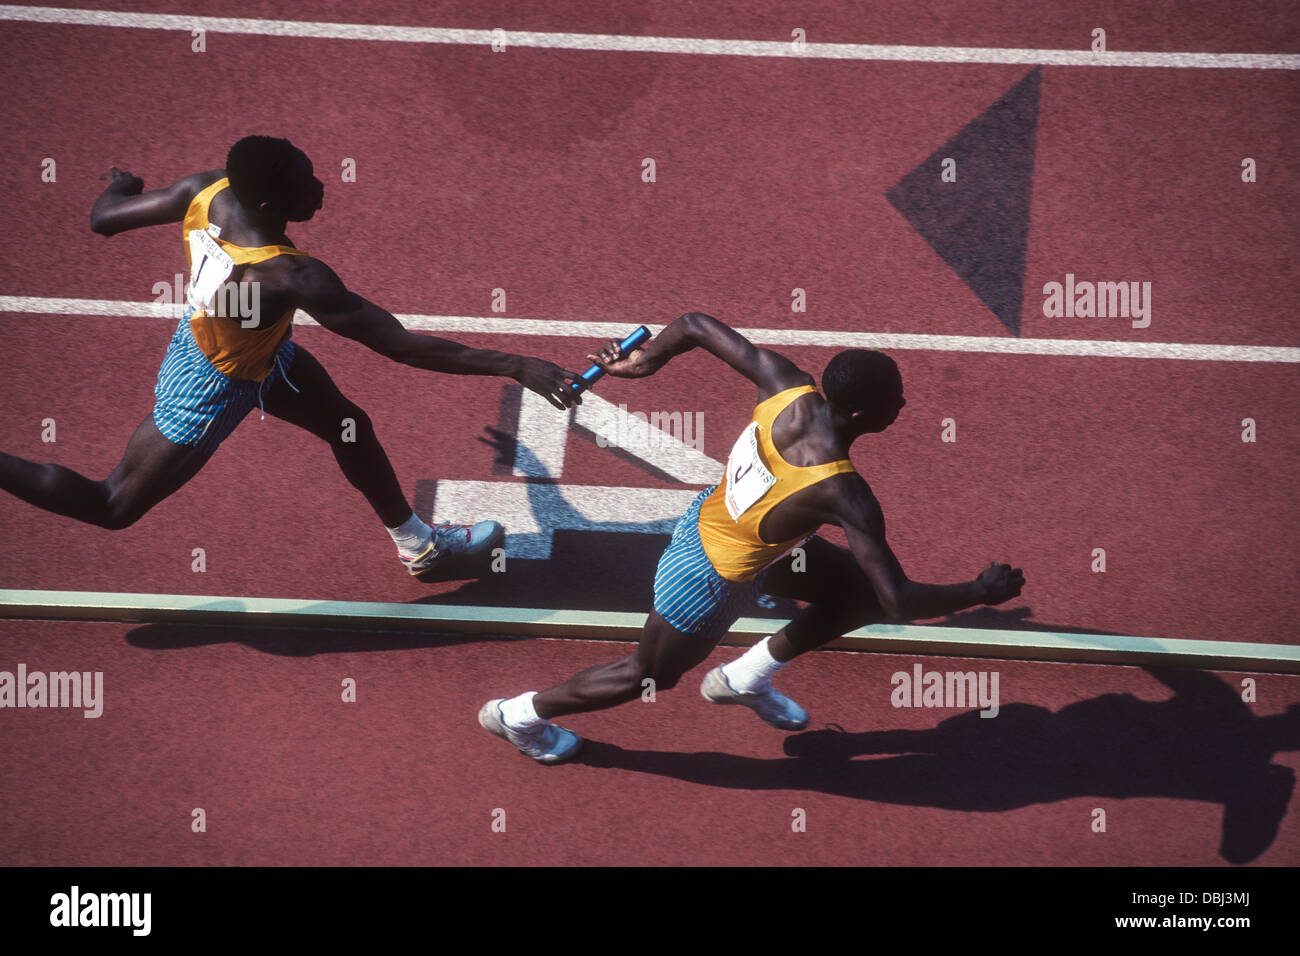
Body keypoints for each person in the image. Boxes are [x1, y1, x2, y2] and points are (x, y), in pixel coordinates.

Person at [0, 135, 581, 579]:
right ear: (275, 199)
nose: (321, 184)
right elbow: (398, 345)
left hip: (255, 345)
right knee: (114, 505)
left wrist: (121, 186)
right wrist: (516, 365)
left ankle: (418, 546)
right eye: (308, 181)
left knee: (349, 426)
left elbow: (104, 221)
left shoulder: (204, 189)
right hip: (212, 382)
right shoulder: (294, 275)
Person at [480, 311, 1025, 762]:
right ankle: (520, 716)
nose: (903, 405)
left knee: (855, 593)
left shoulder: (788, 385)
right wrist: (979, 591)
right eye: (896, 400)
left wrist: (647, 360)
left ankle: (746, 676)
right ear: (863, 414)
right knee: (646, 674)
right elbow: (900, 601)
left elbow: (694, 323)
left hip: (739, 528)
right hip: (707, 578)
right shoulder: (844, 494)